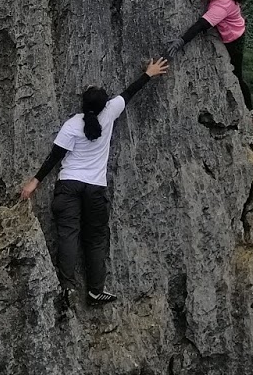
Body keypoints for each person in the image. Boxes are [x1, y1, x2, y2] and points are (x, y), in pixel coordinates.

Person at [18, 57, 170, 304]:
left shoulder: (72, 125)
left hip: (68, 185)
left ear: (83, 104)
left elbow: (55, 156)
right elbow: (130, 91)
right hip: (95, 188)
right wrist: (149, 73)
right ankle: (95, 290)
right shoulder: (109, 113)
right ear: (103, 104)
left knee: (68, 234)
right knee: (96, 237)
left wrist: (35, 181)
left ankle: (67, 287)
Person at [166, 0, 253, 113]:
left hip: (234, 38)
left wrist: (181, 41)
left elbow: (200, 25)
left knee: (237, 74)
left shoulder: (223, 5)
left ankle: (250, 110)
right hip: (234, 29)